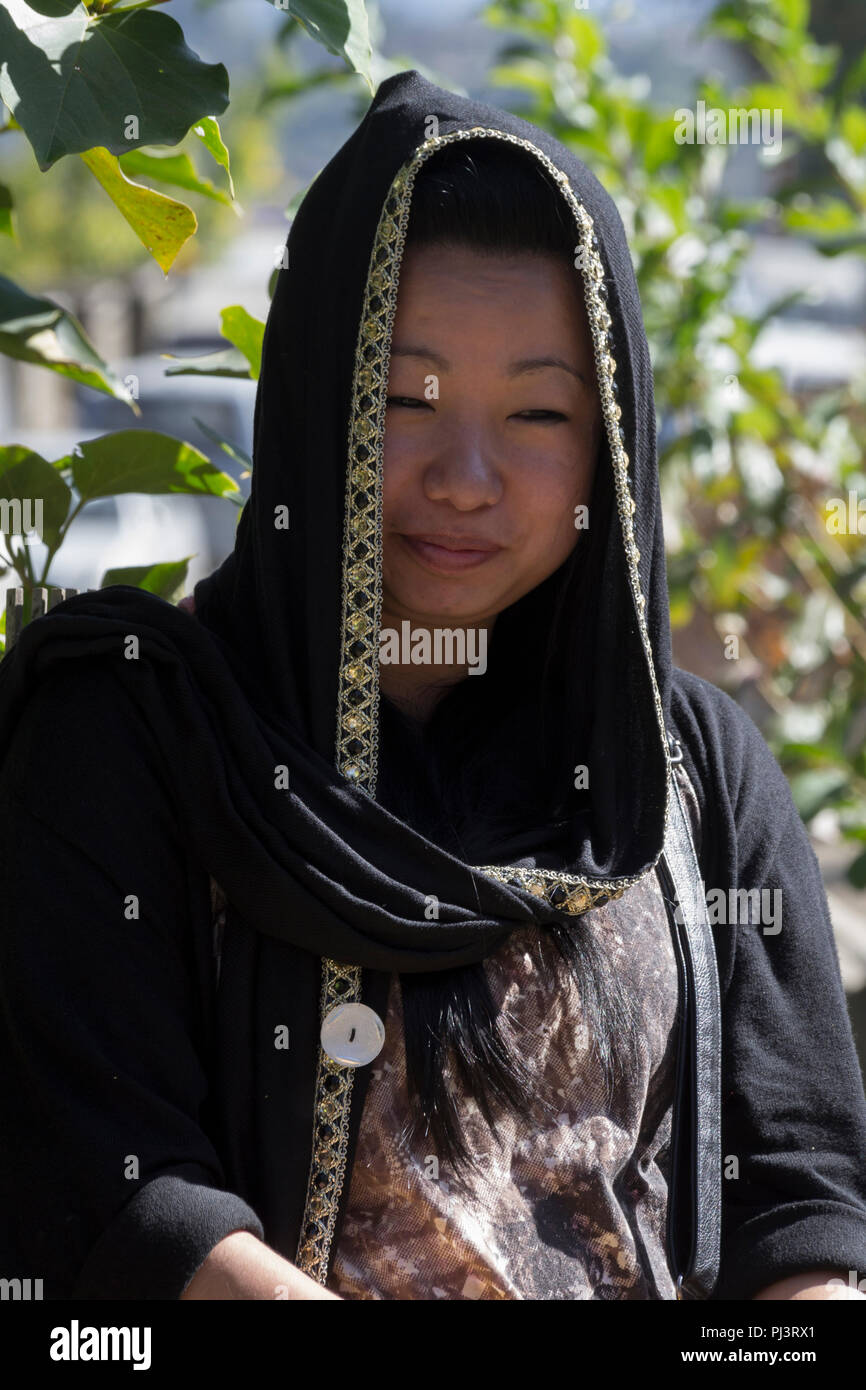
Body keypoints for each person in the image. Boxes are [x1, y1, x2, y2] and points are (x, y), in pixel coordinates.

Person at [1, 68, 865, 1303]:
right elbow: (123, 1192)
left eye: (534, 413)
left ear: (607, 447)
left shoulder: (683, 775)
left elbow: (800, 1207)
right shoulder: (137, 726)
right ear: (314, 394)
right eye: (403, 398)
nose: (465, 476)